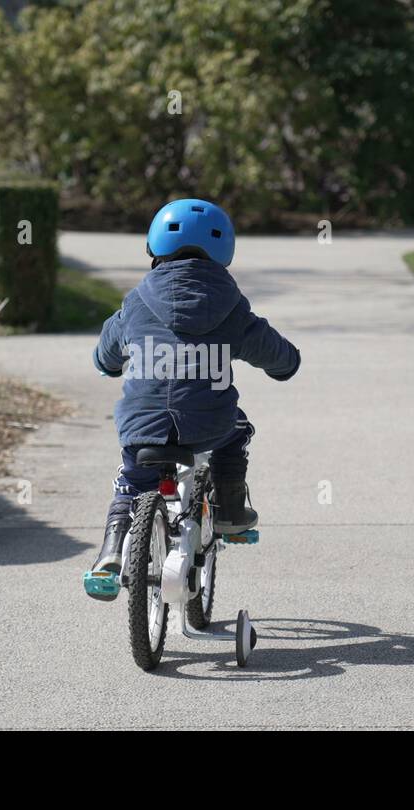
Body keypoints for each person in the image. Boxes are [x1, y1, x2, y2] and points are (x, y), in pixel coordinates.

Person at [84, 198, 300, 600]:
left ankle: (111, 550)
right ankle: (231, 512)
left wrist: (106, 363)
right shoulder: (231, 306)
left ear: (154, 246)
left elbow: (108, 349)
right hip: (209, 426)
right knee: (237, 428)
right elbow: (271, 349)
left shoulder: (136, 302)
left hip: (143, 424)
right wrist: (286, 364)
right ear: (224, 250)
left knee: (131, 480)